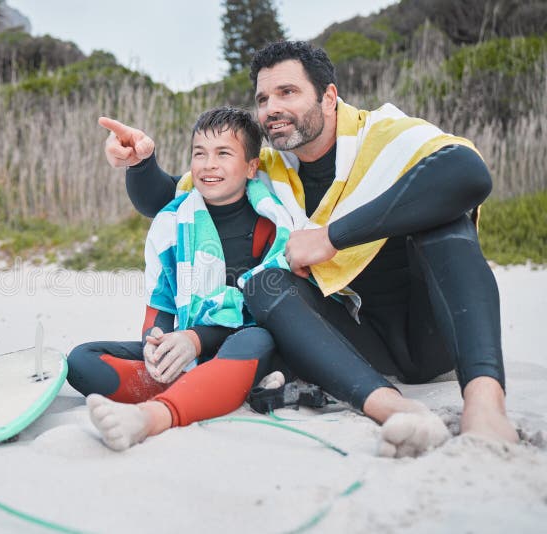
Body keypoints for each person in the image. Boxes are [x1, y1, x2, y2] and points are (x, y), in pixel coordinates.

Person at [100, 41, 517, 458]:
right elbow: (168, 199)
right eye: (263, 99)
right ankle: (392, 407)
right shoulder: (271, 167)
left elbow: (468, 174)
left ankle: (484, 405)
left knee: (446, 219)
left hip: (434, 332)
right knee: (262, 283)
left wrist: (331, 237)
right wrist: (141, 163)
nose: (272, 109)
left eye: (287, 92)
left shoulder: (384, 136)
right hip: (358, 344)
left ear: (328, 97)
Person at [68, 107, 296, 451]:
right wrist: (155, 344)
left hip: (242, 340)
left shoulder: (271, 222)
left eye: (223, 153)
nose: (208, 165)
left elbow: (264, 311)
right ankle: (205, 385)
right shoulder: (174, 222)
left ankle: (167, 407)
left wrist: (197, 339)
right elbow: (160, 303)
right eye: (199, 154)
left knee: (256, 339)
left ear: (251, 167)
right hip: (188, 347)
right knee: (81, 361)